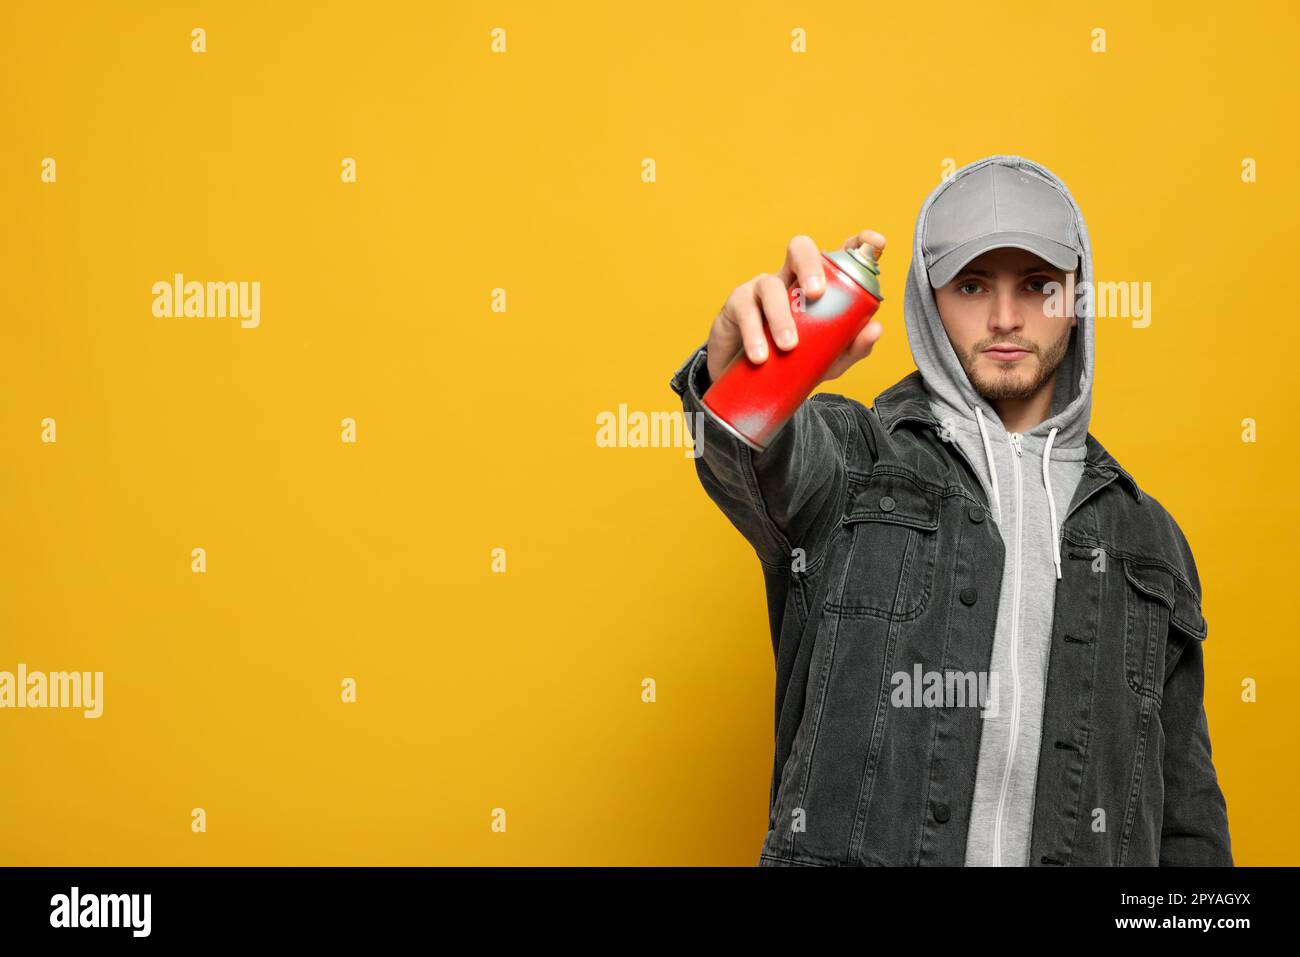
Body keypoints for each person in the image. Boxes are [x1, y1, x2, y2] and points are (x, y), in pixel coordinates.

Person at [668, 154, 1232, 867]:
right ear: (928, 299)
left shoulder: (1148, 538)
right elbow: (750, 454)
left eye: (1036, 285)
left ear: (1077, 297)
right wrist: (744, 375)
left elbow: (1187, 824)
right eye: (971, 284)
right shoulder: (853, 462)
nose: (1004, 317)